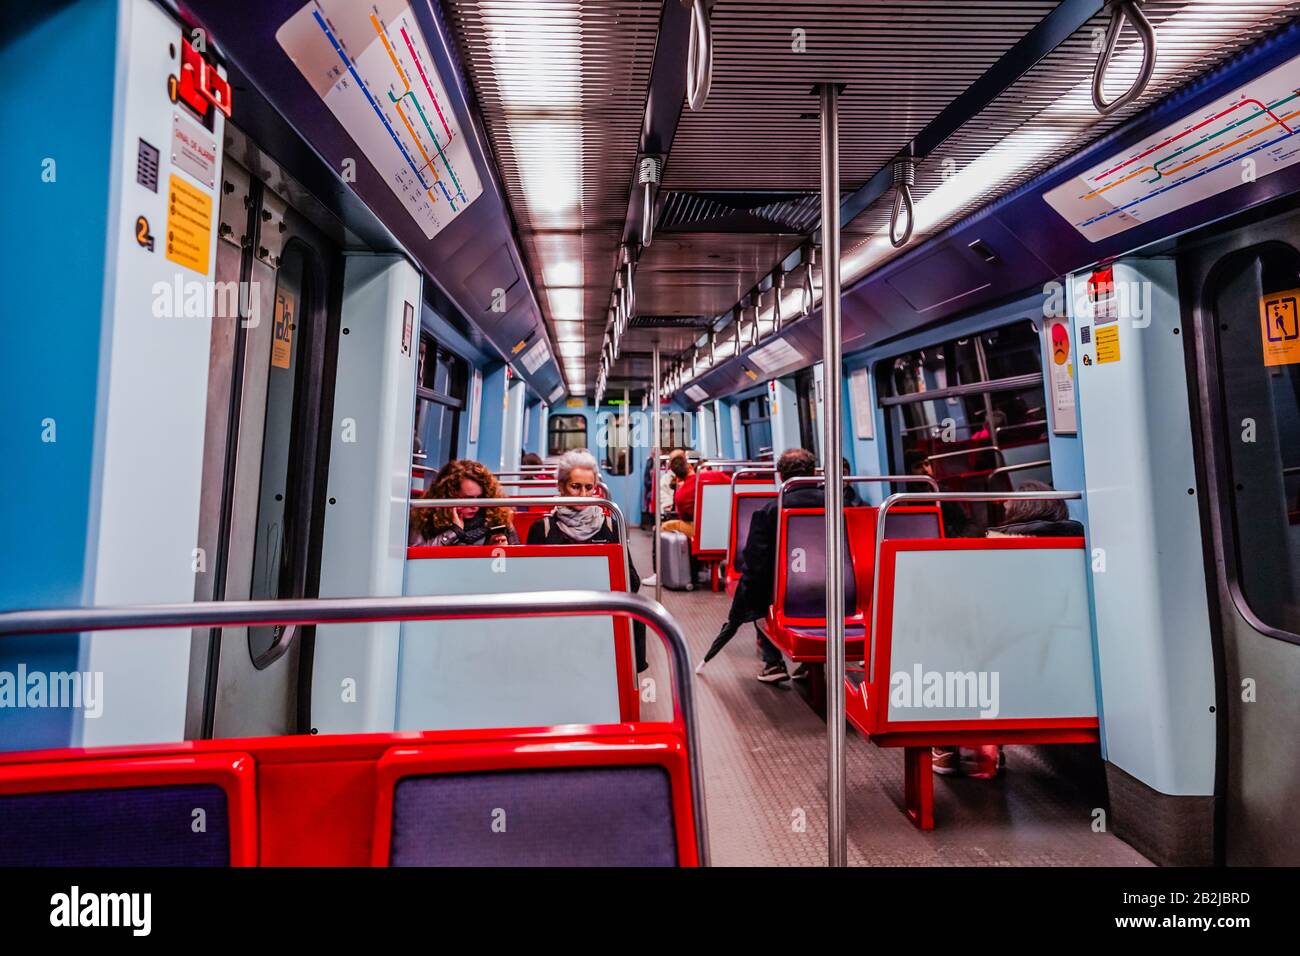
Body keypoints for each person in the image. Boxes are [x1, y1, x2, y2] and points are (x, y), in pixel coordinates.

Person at [932, 479, 1083, 779]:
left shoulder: (996, 549)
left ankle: (946, 746)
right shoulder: (1080, 546)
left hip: (1006, 669)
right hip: (1072, 665)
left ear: (1017, 510)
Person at [697, 447, 819, 684]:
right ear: (814, 473)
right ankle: (809, 664)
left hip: (784, 595)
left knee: (755, 590)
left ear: (780, 476)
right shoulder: (840, 505)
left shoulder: (769, 512)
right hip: (838, 592)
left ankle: (773, 662)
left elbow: (755, 563)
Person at [526, 449, 649, 672]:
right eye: (575, 486)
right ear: (561, 487)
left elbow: (632, 581)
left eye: (588, 487)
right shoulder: (542, 530)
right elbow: (530, 584)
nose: (583, 493)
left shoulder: (611, 526)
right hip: (557, 617)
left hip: (602, 614)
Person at [409, 459, 519, 547]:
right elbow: (418, 555)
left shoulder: (498, 518)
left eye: (480, 498)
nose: (475, 506)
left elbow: (515, 563)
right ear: (450, 496)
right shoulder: (426, 517)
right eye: (468, 499)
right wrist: (454, 532)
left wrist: (500, 551)